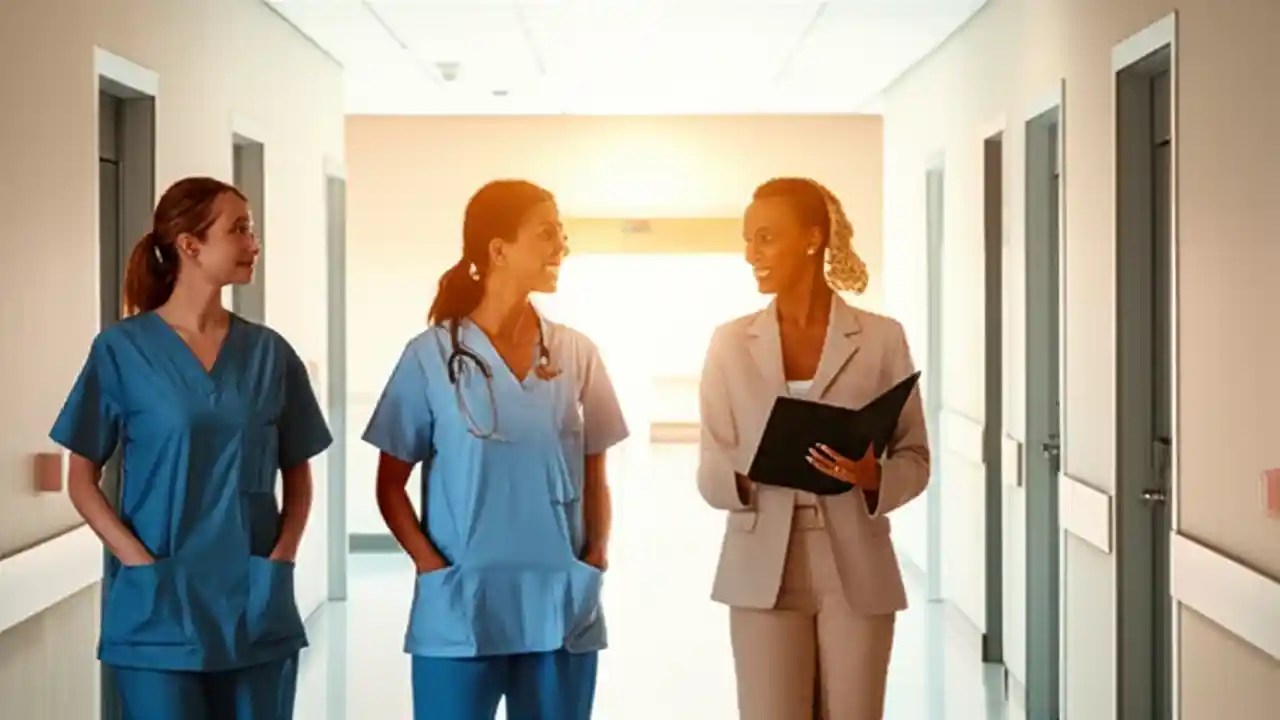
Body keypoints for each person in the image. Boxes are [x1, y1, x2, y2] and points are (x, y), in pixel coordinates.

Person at [50, 177, 332, 720]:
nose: (254, 243)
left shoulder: (270, 355)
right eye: (240, 229)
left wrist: (282, 557)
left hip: (253, 604)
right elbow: (81, 479)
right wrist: (138, 564)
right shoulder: (122, 351)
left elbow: (298, 473)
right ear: (190, 244)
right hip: (159, 608)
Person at [363, 179, 629, 720]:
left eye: (563, 234)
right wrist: (431, 568)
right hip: (462, 603)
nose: (562, 247)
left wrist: (595, 555)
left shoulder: (576, 353)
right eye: (548, 234)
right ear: (498, 248)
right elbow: (390, 482)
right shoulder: (432, 356)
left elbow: (595, 465)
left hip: (559, 601)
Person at [697, 178, 930, 719]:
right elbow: (710, 464)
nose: (752, 254)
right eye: (747, 239)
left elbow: (915, 457)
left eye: (765, 238)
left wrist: (874, 477)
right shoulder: (729, 343)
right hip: (761, 565)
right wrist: (749, 474)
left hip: (856, 561)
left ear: (811, 239)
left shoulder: (881, 338)